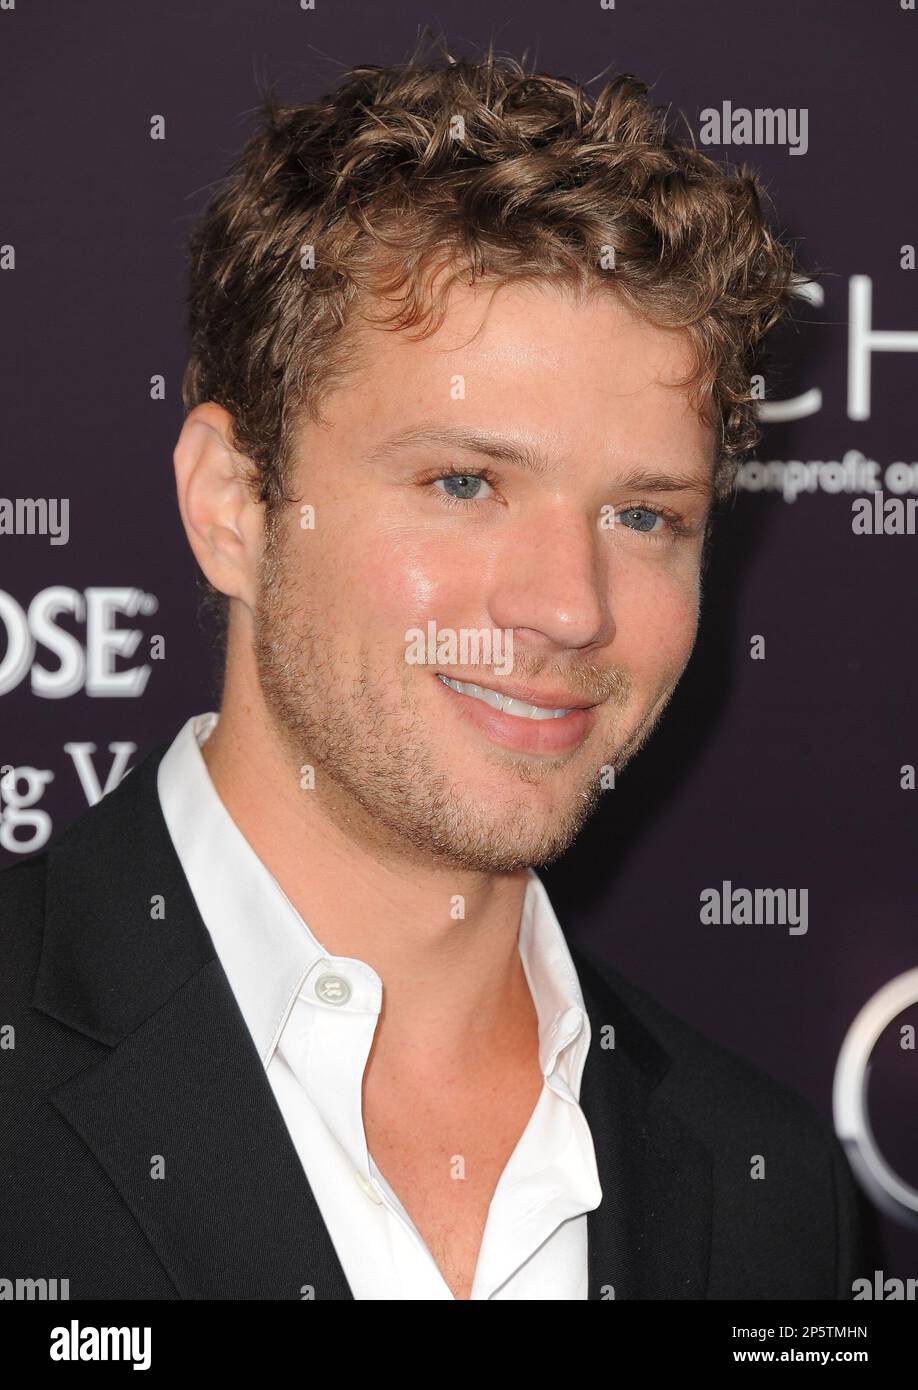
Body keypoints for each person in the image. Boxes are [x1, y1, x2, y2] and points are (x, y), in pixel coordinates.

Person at [0, 42, 868, 1300]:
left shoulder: (768, 1187)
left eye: (645, 516)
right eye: (464, 483)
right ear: (235, 505)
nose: (571, 606)